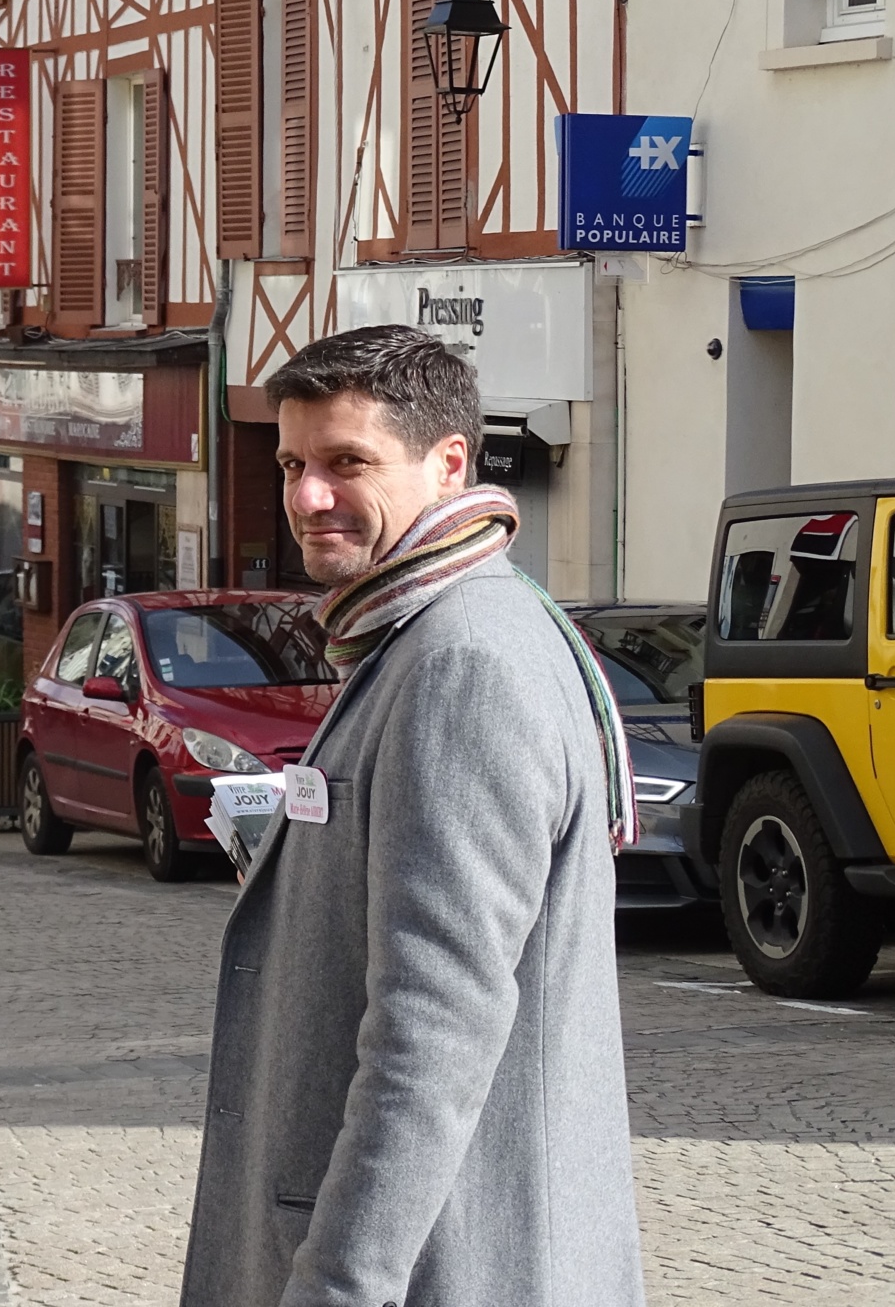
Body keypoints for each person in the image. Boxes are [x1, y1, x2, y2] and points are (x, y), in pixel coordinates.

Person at [180, 325, 645, 1307]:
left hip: (448, 1266)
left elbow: (433, 1030)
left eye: (346, 462)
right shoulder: (420, 632)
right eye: (291, 463)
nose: (307, 496)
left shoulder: (462, 661)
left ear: (446, 464)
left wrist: (339, 1288)